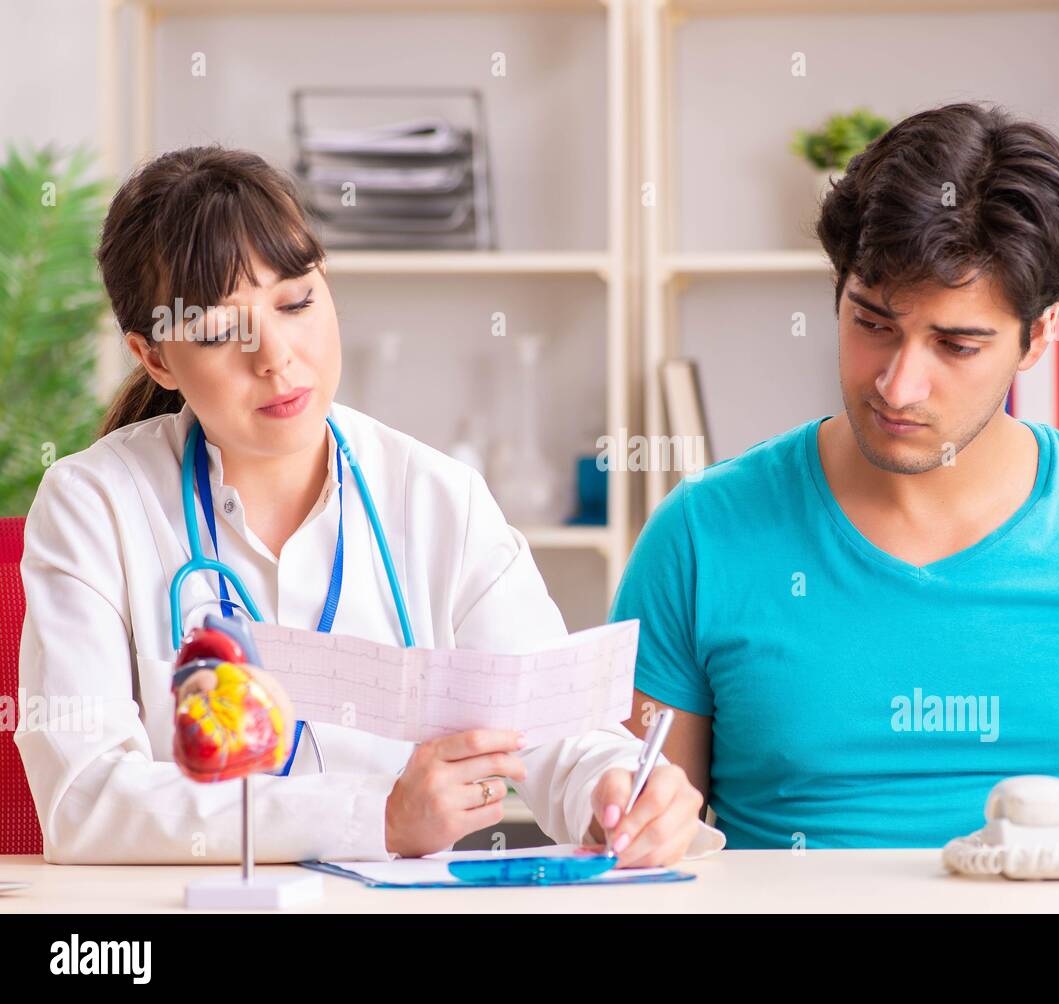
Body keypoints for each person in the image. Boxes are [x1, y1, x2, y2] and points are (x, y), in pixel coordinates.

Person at [16, 145, 723, 866]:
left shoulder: (439, 500)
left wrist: (615, 789)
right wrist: (370, 819)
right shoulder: (94, 504)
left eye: (296, 303)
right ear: (155, 357)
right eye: (221, 333)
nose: (276, 357)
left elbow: (551, 730)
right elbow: (85, 798)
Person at [611, 103, 1059, 849]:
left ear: (1039, 338)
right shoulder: (700, 537)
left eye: (957, 345)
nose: (898, 387)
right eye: (873, 324)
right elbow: (638, 872)